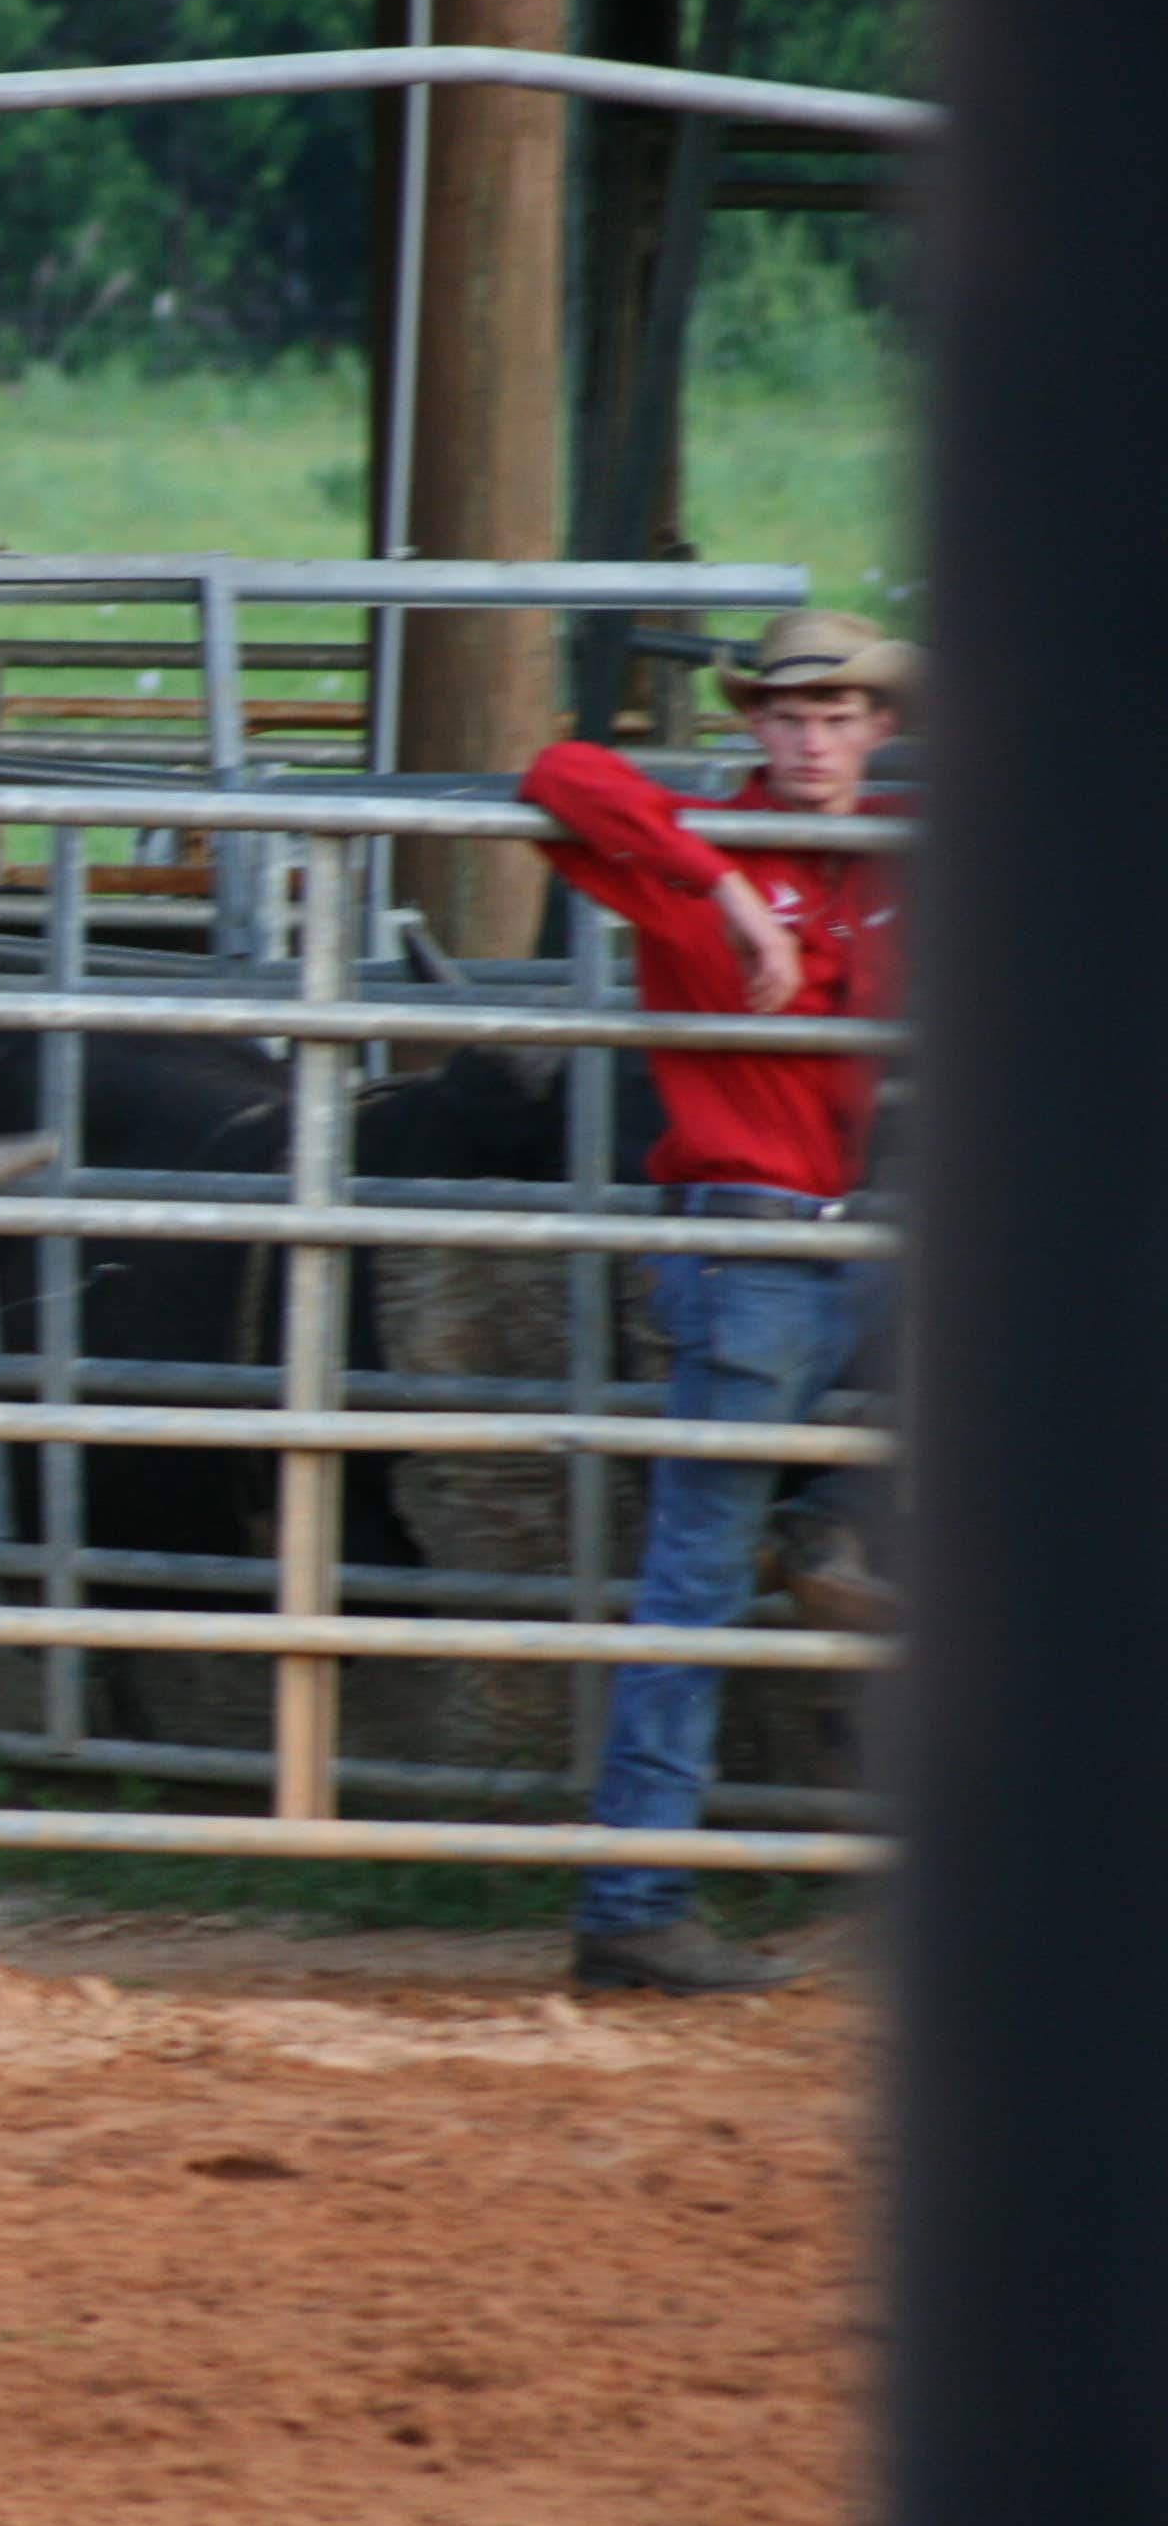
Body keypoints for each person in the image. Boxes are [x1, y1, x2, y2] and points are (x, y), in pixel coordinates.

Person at [521, 608, 912, 1996]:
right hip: (749, 1239)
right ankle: (633, 1903)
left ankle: (830, 1523)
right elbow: (562, 775)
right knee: (692, 1575)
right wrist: (725, 888)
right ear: (750, 725)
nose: (814, 741)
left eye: (841, 716)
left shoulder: (893, 862)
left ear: (879, 729)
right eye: (791, 717)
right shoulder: (702, 848)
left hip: (851, 1246)